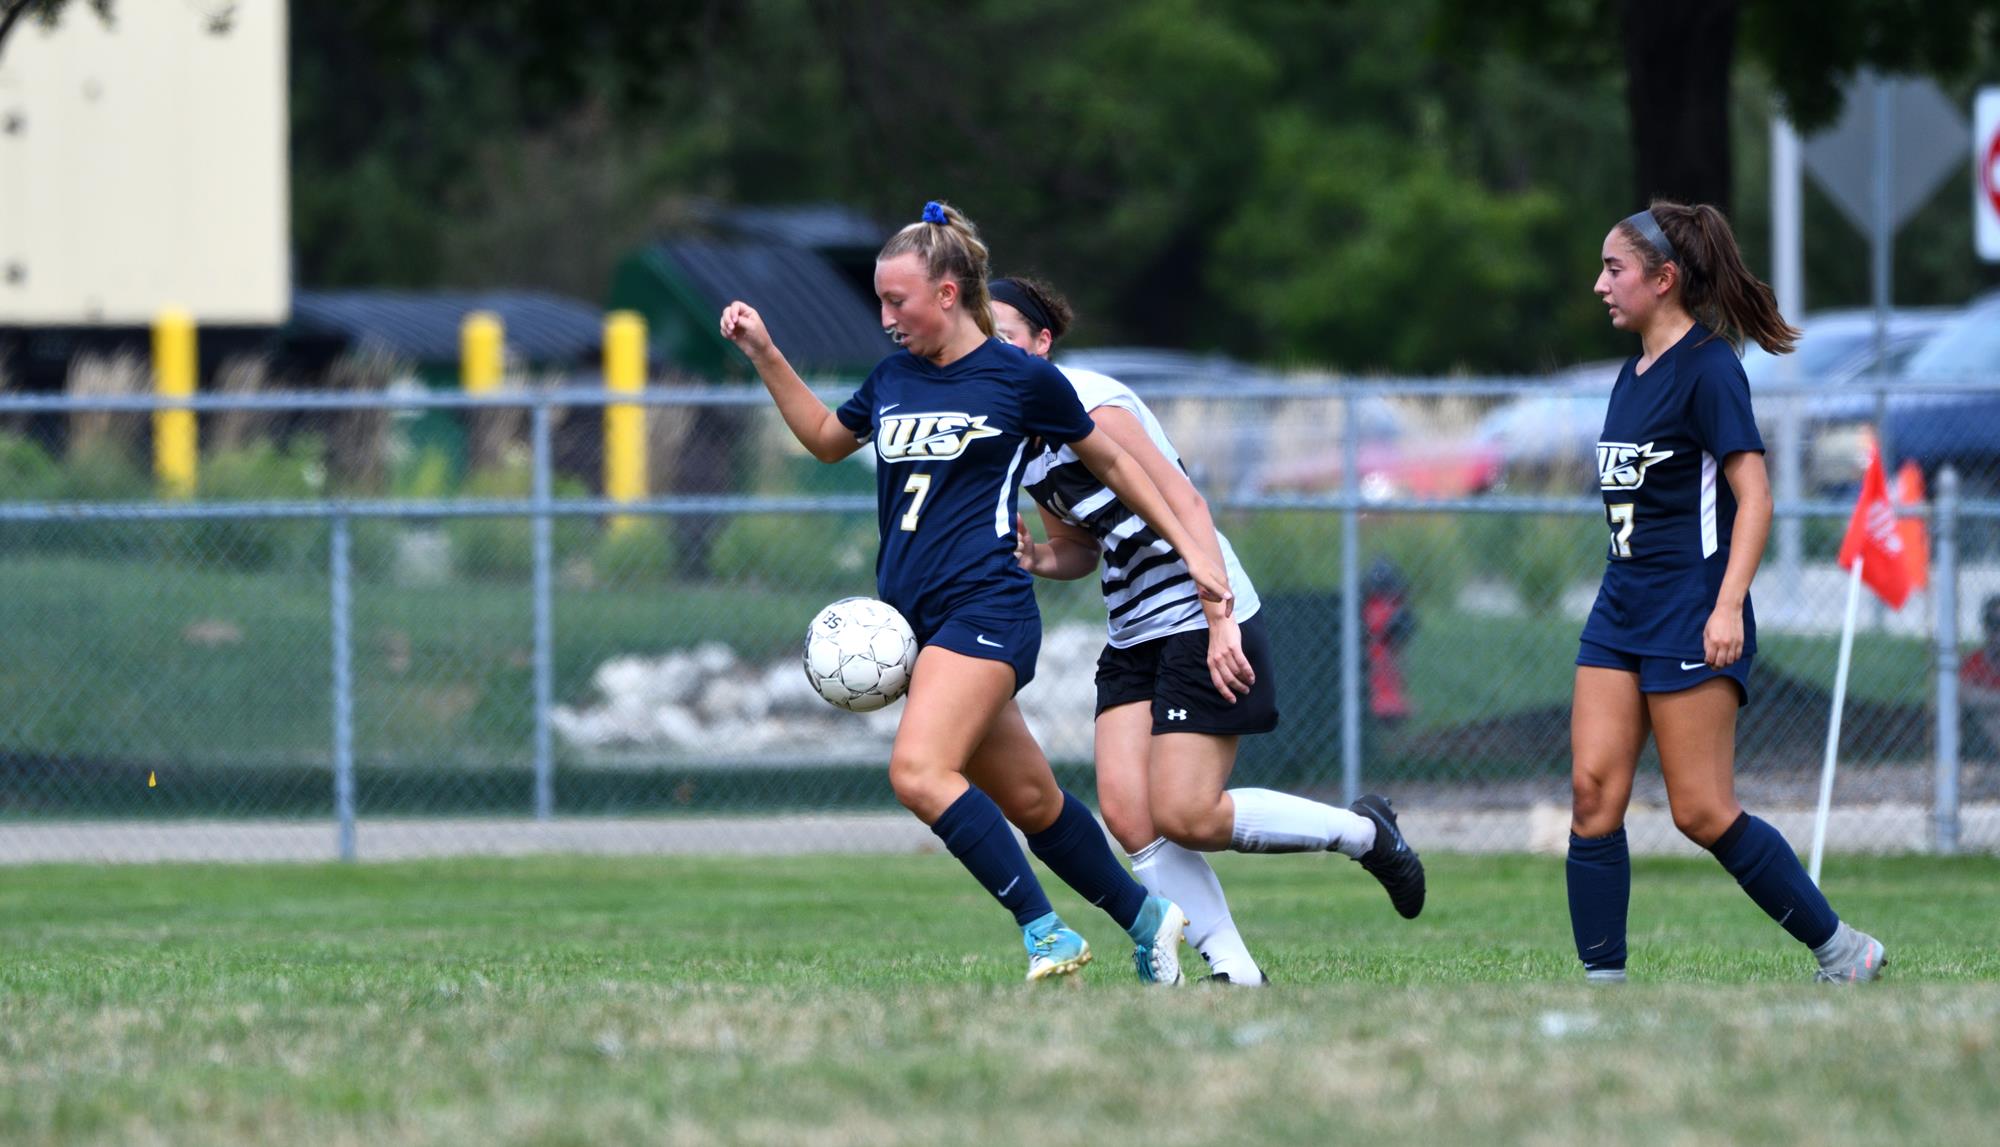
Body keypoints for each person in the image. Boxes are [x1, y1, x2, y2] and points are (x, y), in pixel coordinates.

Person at [719, 201, 1236, 985]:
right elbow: (827, 440)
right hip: (921, 622)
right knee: (1034, 802)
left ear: (951, 293)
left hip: (987, 607)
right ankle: (1147, 916)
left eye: (899, 301)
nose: (887, 318)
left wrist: (1191, 546)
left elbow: (1120, 466)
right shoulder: (893, 376)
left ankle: (1046, 933)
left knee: (919, 772)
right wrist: (765, 352)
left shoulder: (1018, 377)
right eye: (880, 302)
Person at [993, 275, 1426, 988]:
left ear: (1043, 342)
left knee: (1188, 812)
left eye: (1008, 334)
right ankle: (1234, 973)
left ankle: (1367, 834)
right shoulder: (1023, 435)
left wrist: (1220, 618)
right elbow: (1080, 543)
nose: (995, 349)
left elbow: (1184, 500)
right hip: (1133, 626)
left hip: (1200, 608)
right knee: (1131, 815)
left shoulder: (1090, 400)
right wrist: (1038, 555)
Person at [1570, 201, 1885, 984]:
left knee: (1701, 810)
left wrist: (1725, 605)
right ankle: (1603, 987)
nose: (1600, 284)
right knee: (1591, 794)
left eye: (1615, 269)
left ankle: (1844, 950)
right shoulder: (1631, 369)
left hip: (1689, 608)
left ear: (1664, 278)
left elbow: (1758, 494)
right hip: (1620, 609)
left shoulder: (1711, 368)